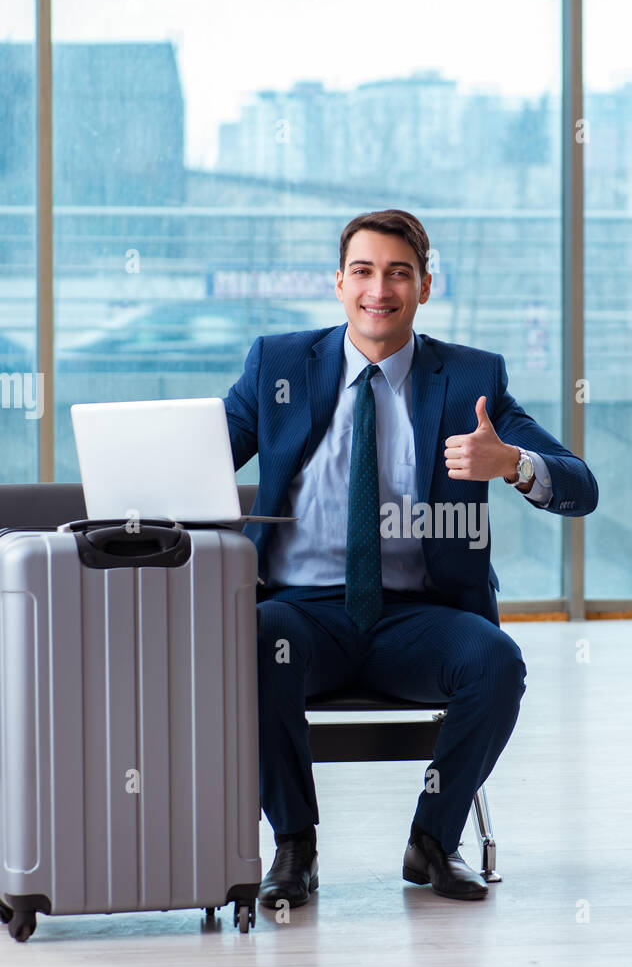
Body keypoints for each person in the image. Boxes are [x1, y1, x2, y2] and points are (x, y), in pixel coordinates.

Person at [223, 209, 598, 906]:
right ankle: (294, 845)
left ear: (425, 286)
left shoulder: (467, 380)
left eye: (399, 273)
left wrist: (511, 462)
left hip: (417, 619)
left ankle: (432, 841)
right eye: (363, 272)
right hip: (300, 614)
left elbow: (579, 487)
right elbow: (204, 459)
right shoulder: (278, 365)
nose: (379, 289)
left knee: (495, 661)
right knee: (251, 640)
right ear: (338, 284)